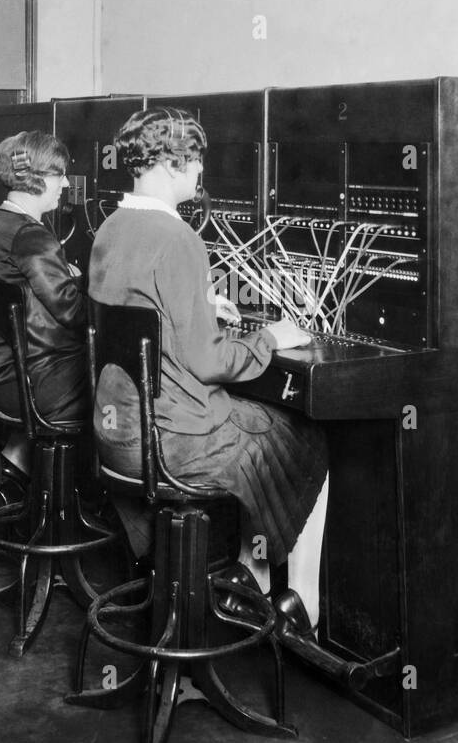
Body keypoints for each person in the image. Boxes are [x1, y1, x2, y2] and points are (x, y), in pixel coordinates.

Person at [87, 107, 330, 631]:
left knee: (263, 430)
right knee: (303, 437)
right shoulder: (178, 239)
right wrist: (271, 336)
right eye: (197, 162)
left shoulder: (111, 228)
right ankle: (291, 602)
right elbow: (208, 360)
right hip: (173, 440)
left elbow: (138, 314)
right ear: (175, 163)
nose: (200, 175)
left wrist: (199, 305)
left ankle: (246, 581)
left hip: (116, 434)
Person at [0, 131, 87, 475]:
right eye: (59, 174)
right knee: (124, 382)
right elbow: (74, 312)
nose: (65, 183)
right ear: (37, 179)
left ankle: (19, 466)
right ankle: (78, 503)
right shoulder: (32, 236)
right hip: (39, 384)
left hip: (2, 375)